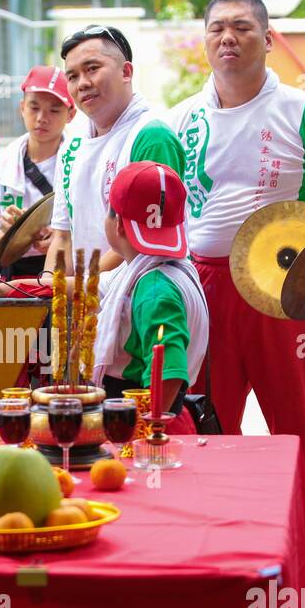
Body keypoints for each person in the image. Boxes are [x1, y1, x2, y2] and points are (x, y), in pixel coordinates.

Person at [170, 0, 305, 479]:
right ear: (206, 41)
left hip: (286, 289)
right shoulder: (180, 120)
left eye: (243, 27)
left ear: (268, 38)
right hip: (204, 289)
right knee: (206, 425)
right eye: (217, 28)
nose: (228, 37)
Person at [40, 24, 184, 283]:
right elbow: (62, 236)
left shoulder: (151, 136)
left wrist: (74, 288)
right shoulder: (71, 147)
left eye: (92, 69)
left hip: (140, 301)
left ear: (126, 71)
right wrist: (47, 287)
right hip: (85, 302)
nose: (82, 83)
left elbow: (143, 242)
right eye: (72, 77)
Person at [93, 162, 209, 435]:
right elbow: (94, 288)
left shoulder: (154, 289)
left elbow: (169, 371)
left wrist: (146, 432)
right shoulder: (150, 268)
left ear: (118, 224)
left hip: (149, 428)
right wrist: (18, 287)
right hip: (149, 421)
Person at [0, 65, 74, 291]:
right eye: (34, 107)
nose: (41, 118)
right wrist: (9, 233)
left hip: (64, 278)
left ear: (71, 114)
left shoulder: (80, 163)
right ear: (22, 107)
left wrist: (61, 239)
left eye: (54, 110)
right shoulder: (3, 165)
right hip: (11, 277)